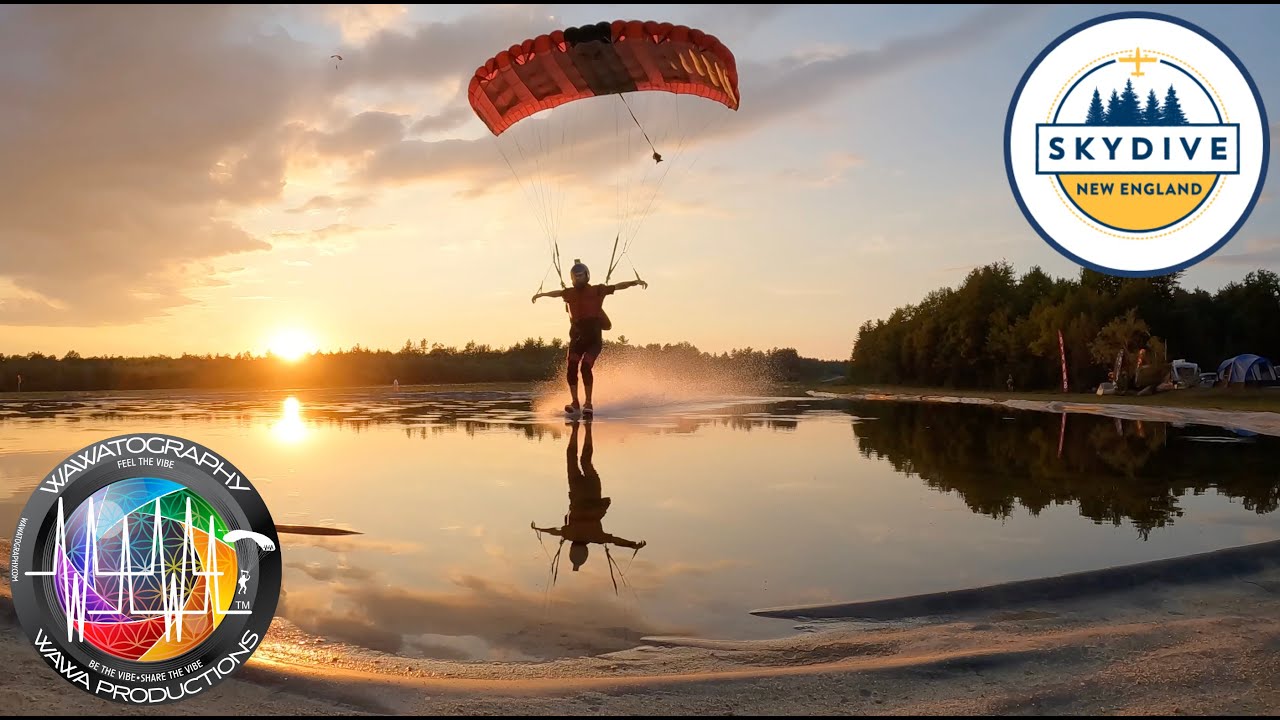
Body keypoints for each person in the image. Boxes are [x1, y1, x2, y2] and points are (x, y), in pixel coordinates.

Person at [532, 259, 646, 416]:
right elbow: (555, 294)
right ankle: (575, 402)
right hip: (577, 338)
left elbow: (619, 286)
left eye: (581, 276)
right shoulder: (569, 293)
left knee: (585, 367)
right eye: (576, 277)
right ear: (572, 278)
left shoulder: (598, 290)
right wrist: (541, 294)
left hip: (593, 339)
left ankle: (588, 403)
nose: (578, 279)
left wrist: (635, 282)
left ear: (586, 276)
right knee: (572, 367)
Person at [532, 420, 645, 573]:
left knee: (585, 461)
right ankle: (575, 429)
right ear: (572, 549)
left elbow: (615, 541)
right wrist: (539, 529)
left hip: (592, 489)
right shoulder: (571, 535)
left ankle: (588, 428)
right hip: (577, 488)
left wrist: (632, 544)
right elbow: (554, 531)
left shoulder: (596, 538)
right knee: (572, 457)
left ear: (585, 552)